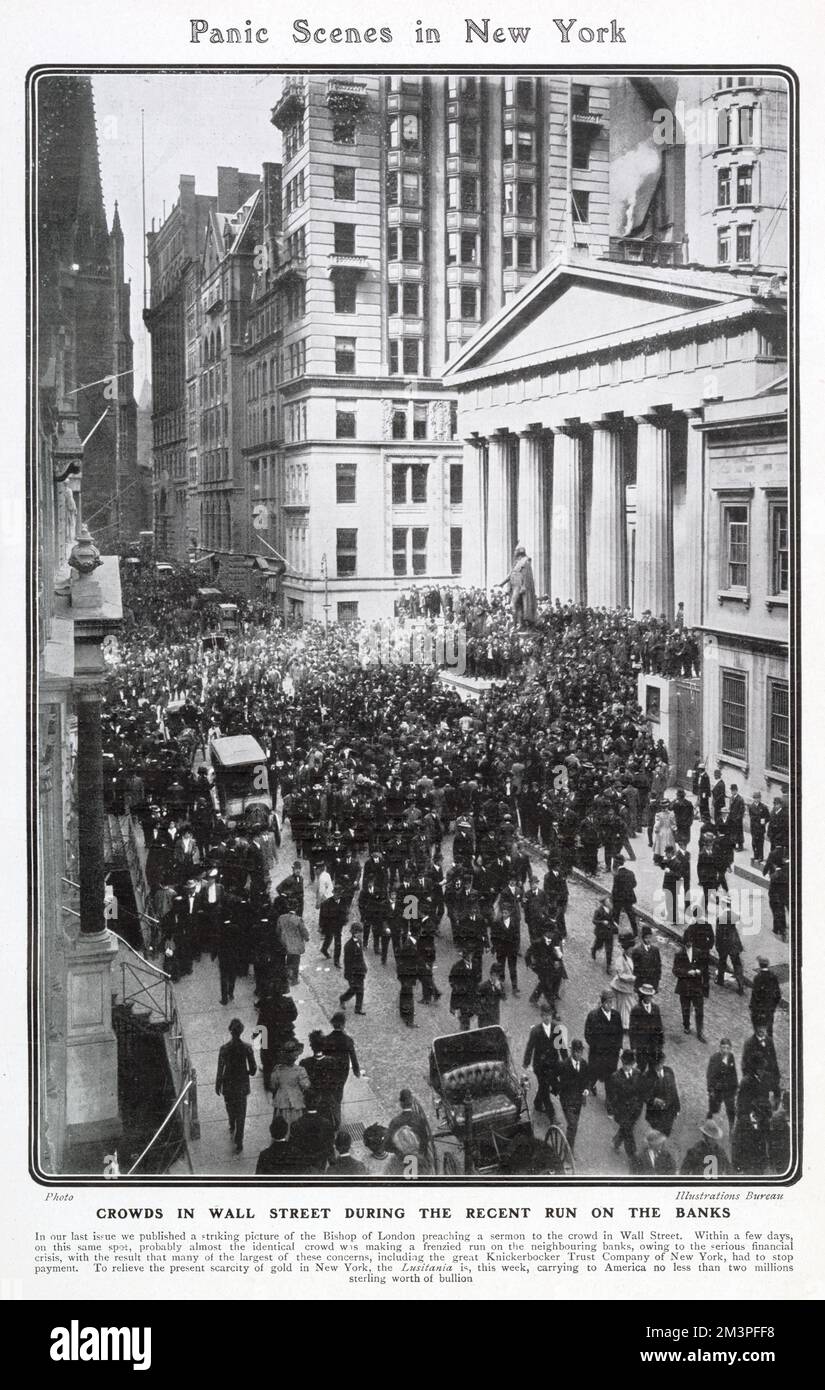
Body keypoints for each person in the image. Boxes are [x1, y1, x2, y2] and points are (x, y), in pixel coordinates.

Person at [215, 1018, 257, 1154]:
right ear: (241, 1031)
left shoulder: (224, 1049)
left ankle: (231, 1123)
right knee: (242, 1113)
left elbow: (220, 1069)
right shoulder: (247, 1048)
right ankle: (239, 1141)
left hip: (228, 1083)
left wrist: (218, 1084)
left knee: (230, 1107)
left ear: (230, 1031)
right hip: (242, 1084)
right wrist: (247, 1072)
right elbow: (253, 1068)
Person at [522, 1002, 562, 1119]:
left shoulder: (556, 1028)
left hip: (553, 1064)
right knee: (544, 1088)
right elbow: (530, 1047)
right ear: (541, 1016)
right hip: (540, 1066)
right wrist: (526, 1062)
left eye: (549, 1015)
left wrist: (565, 1060)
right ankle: (552, 1116)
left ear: (551, 1015)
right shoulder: (536, 1031)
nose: (547, 1017)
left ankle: (537, 1103)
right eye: (544, 1015)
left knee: (549, 1085)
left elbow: (561, 1047)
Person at [323, 1011, 361, 1128]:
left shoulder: (327, 1039)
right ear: (343, 1024)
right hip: (342, 1071)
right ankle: (337, 1118)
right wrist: (356, 1070)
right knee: (339, 1092)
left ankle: (331, 1115)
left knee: (330, 1091)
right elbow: (353, 1057)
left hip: (330, 1069)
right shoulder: (348, 1040)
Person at [584, 990, 624, 1103]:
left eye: (611, 1002)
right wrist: (595, 1046)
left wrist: (620, 1047)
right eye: (608, 1002)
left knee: (610, 1076)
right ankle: (590, 1085)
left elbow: (620, 1032)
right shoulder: (593, 1015)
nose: (610, 1005)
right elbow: (587, 1034)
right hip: (598, 1053)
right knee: (594, 1072)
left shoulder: (616, 1015)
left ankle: (609, 1099)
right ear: (602, 1003)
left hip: (612, 1054)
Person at [553, 1039, 591, 1151]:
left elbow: (587, 1079)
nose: (578, 1054)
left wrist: (586, 1090)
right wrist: (558, 1090)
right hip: (567, 1100)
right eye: (576, 1052)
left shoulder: (584, 1064)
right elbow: (553, 1076)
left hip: (578, 1101)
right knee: (572, 1125)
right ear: (572, 1052)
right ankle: (569, 1151)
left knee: (574, 1125)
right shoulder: (564, 1065)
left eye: (580, 1052)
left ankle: (569, 1146)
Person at [270, 1038, 311, 1132]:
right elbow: (306, 1085)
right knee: (297, 1127)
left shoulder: (277, 1070)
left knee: (281, 1128)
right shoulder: (300, 1070)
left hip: (281, 1103)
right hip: (296, 1102)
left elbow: (273, 1085)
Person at [611, 1049, 645, 1160]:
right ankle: (633, 1154)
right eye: (625, 1064)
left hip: (635, 1110)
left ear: (633, 1064)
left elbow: (641, 1092)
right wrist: (614, 1111)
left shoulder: (638, 1074)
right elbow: (614, 1097)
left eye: (630, 1064)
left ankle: (616, 1141)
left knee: (626, 1128)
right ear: (622, 1062)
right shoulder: (616, 1077)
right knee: (628, 1131)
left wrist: (639, 1106)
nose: (627, 1067)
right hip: (622, 1111)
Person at [673, 931, 706, 1041]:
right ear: (684, 943)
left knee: (699, 1010)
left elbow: (703, 967)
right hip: (684, 986)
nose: (689, 944)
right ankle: (686, 1025)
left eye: (691, 942)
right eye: (687, 942)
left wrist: (699, 971)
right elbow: (675, 970)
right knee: (685, 1008)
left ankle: (700, 1032)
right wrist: (687, 972)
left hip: (696, 986)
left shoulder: (698, 952)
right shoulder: (679, 954)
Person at [498, 544, 537, 627]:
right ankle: (519, 624)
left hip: (520, 587)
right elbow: (511, 574)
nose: (514, 552)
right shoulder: (517, 562)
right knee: (517, 606)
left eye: (516, 551)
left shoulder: (525, 561)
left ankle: (518, 624)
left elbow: (526, 575)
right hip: (514, 586)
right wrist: (502, 583)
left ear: (520, 552)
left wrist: (523, 586)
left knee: (515, 605)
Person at [643, 1052, 681, 1136]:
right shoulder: (647, 1076)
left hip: (669, 1110)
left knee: (665, 1132)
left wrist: (677, 1107)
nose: (659, 1066)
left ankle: (659, 1148)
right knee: (654, 1133)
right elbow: (644, 1095)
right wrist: (653, 1100)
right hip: (655, 1112)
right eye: (657, 1064)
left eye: (661, 1063)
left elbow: (674, 1090)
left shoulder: (669, 1071)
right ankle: (651, 1148)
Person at [386, 1089, 433, 1157]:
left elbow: (388, 1146)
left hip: (402, 1158)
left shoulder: (394, 1122)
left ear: (401, 1104)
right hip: (419, 1155)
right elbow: (424, 1140)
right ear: (411, 1103)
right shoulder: (419, 1119)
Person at [628, 984, 664, 1073]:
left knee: (653, 1067)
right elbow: (632, 1029)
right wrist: (633, 1047)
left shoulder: (656, 1008)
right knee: (641, 1067)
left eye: (650, 995)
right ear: (642, 995)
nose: (649, 998)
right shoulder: (636, 1010)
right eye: (646, 995)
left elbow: (659, 1026)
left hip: (653, 1045)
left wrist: (660, 1043)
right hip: (641, 1045)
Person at [706, 1038, 738, 1131]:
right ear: (720, 1048)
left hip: (729, 1090)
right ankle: (708, 1127)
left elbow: (733, 1072)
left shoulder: (731, 1056)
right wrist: (711, 1090)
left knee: (731, 1110)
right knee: (713, 1109)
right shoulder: (714, 1058)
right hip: (717, 1090)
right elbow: (710, 1075)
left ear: (730, 1049)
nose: (725, 1050)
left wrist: (735, 1087)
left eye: (727, 1048)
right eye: (723, 1048)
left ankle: (732, 1130)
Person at [276, 903, 309, 986]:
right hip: (295, 945)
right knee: (295, 963)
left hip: (284, 943)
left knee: (287, 961)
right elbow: (304, 931)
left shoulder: (281, 917)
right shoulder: (297, 919)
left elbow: (277, 930)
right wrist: (306, 938)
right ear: (296, 909)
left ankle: (286, 976)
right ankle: (294, 979)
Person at [610, 932, 637, 1032]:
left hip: (630, 988)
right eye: (630, 949)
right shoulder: (619, 960)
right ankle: (625, 1026)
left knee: (628, 1005)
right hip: (621, 987)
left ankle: (625, 1024)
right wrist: (634, 978)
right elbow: (621, 976)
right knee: (624, 1006)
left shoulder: (634, 958)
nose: (631, 950)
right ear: (626, 949)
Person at [339, 924, 368, 1015]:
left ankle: (358, 1009)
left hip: (360, 970)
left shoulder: (359, 941)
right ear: (354, 933)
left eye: (361, 933)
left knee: (360, 990)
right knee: (355, 989)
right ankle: (343, 998)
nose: (360, 934)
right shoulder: (348, 946)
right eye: (359, 933)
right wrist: (349, 975)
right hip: (353, 972)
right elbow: (347, 962)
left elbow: (361, 957)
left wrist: (364, 967)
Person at [750, 956, 782, 1035]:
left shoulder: (758, 977)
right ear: (768, 964)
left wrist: (752, 1007)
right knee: (769, 1027)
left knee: (758, 1027)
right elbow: (778, 993)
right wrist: (774, 1005)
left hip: (759, 1008)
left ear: (760, 965)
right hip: (770, 1007)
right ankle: (769, 1042)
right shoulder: (773, 976)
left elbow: (755, 994)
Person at [449, 947, 479, 1030]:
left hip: (472, 996)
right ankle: (464, 1032)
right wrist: (460, 988)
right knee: (464, 1018)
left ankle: (465, 1029)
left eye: (471, 954)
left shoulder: (475, 964)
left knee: (469, 1015)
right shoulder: (457, 966)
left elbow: (477, 978)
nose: (470, 956)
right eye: (469, 955)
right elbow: (452, 981)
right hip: (461, 997)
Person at [319, 886, 348, 968]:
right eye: (336, 893)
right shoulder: (327, 903)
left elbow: (345, 911)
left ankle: (336, 961)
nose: (337, 895)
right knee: (328, 938)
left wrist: (345, 920)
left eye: (339, 893)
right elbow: (322, 916)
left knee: (338, 943)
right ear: (333, 893)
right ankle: (324, 949)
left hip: (338, 926)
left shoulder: (343, 901)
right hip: (329, 925)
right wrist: (321, 926)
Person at [610, 856, 638, 937]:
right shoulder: (631, 873)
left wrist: (613, 898)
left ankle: (615, 930)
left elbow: (615, 889)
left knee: (616, 914)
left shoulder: (617, 875)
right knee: (631, 915)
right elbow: (634, 884)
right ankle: (635, 931)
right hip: (628, 897)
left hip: (619, 898)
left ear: (617, 864)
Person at [631, 926, 662, 993]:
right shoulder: (637, 950)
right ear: (642, 938)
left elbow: (658, 966)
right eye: (646, 938)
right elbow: (634, 968)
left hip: (652, 981)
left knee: (648, 999)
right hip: (641, 981)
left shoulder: (655, 950)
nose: (648, 940)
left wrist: (657, 982)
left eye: (650, 937)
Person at [590, 896, 616, 973]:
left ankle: (608, 966)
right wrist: (602, 922)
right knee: (599, 945)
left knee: (609, 950)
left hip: (609, 933)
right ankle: (594, 950)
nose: (609, 902)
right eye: (608, 901)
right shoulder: (598, 911)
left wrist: (614, 924)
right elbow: (594, 921)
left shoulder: (611, 909)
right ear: (604, 903)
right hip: (601, 933)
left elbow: (612, 919)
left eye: (609, 901)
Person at [476, 962, 507, 1027]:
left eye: (497, 976)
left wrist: (499, 989)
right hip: (484, 1017)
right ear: (491, 974)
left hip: (495, 1015)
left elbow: (504, 998)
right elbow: (476, 999)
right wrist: (480, 1011)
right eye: (494, 975)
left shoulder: (500, 985)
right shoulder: (483, 986)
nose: (495, 978)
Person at [748, 791, 770, 864]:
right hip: (754, 828)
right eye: (755, 798)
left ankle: (761, 857)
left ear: (760, 799)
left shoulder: (763, 807)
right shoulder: (751, 807)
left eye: (758, 798)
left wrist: (764, 821)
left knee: (760, 843)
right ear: (753, 798)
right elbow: (751, 817)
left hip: (760, 828)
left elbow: (768, 817)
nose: (756, 799)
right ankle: (755, 855)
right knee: (754, 843)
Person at [727, 783, 746, 851]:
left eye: (733, 790)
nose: (732, 792)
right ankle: (733, 845)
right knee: (732, 832)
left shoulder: (740, 799)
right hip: (732, 818)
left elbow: (742, 810)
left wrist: (738, 818)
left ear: (736, 790)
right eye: (731, 790)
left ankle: (740, 846)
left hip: (737, 819)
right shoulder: (731, 798)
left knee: (739, 833)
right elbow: (730, 808)